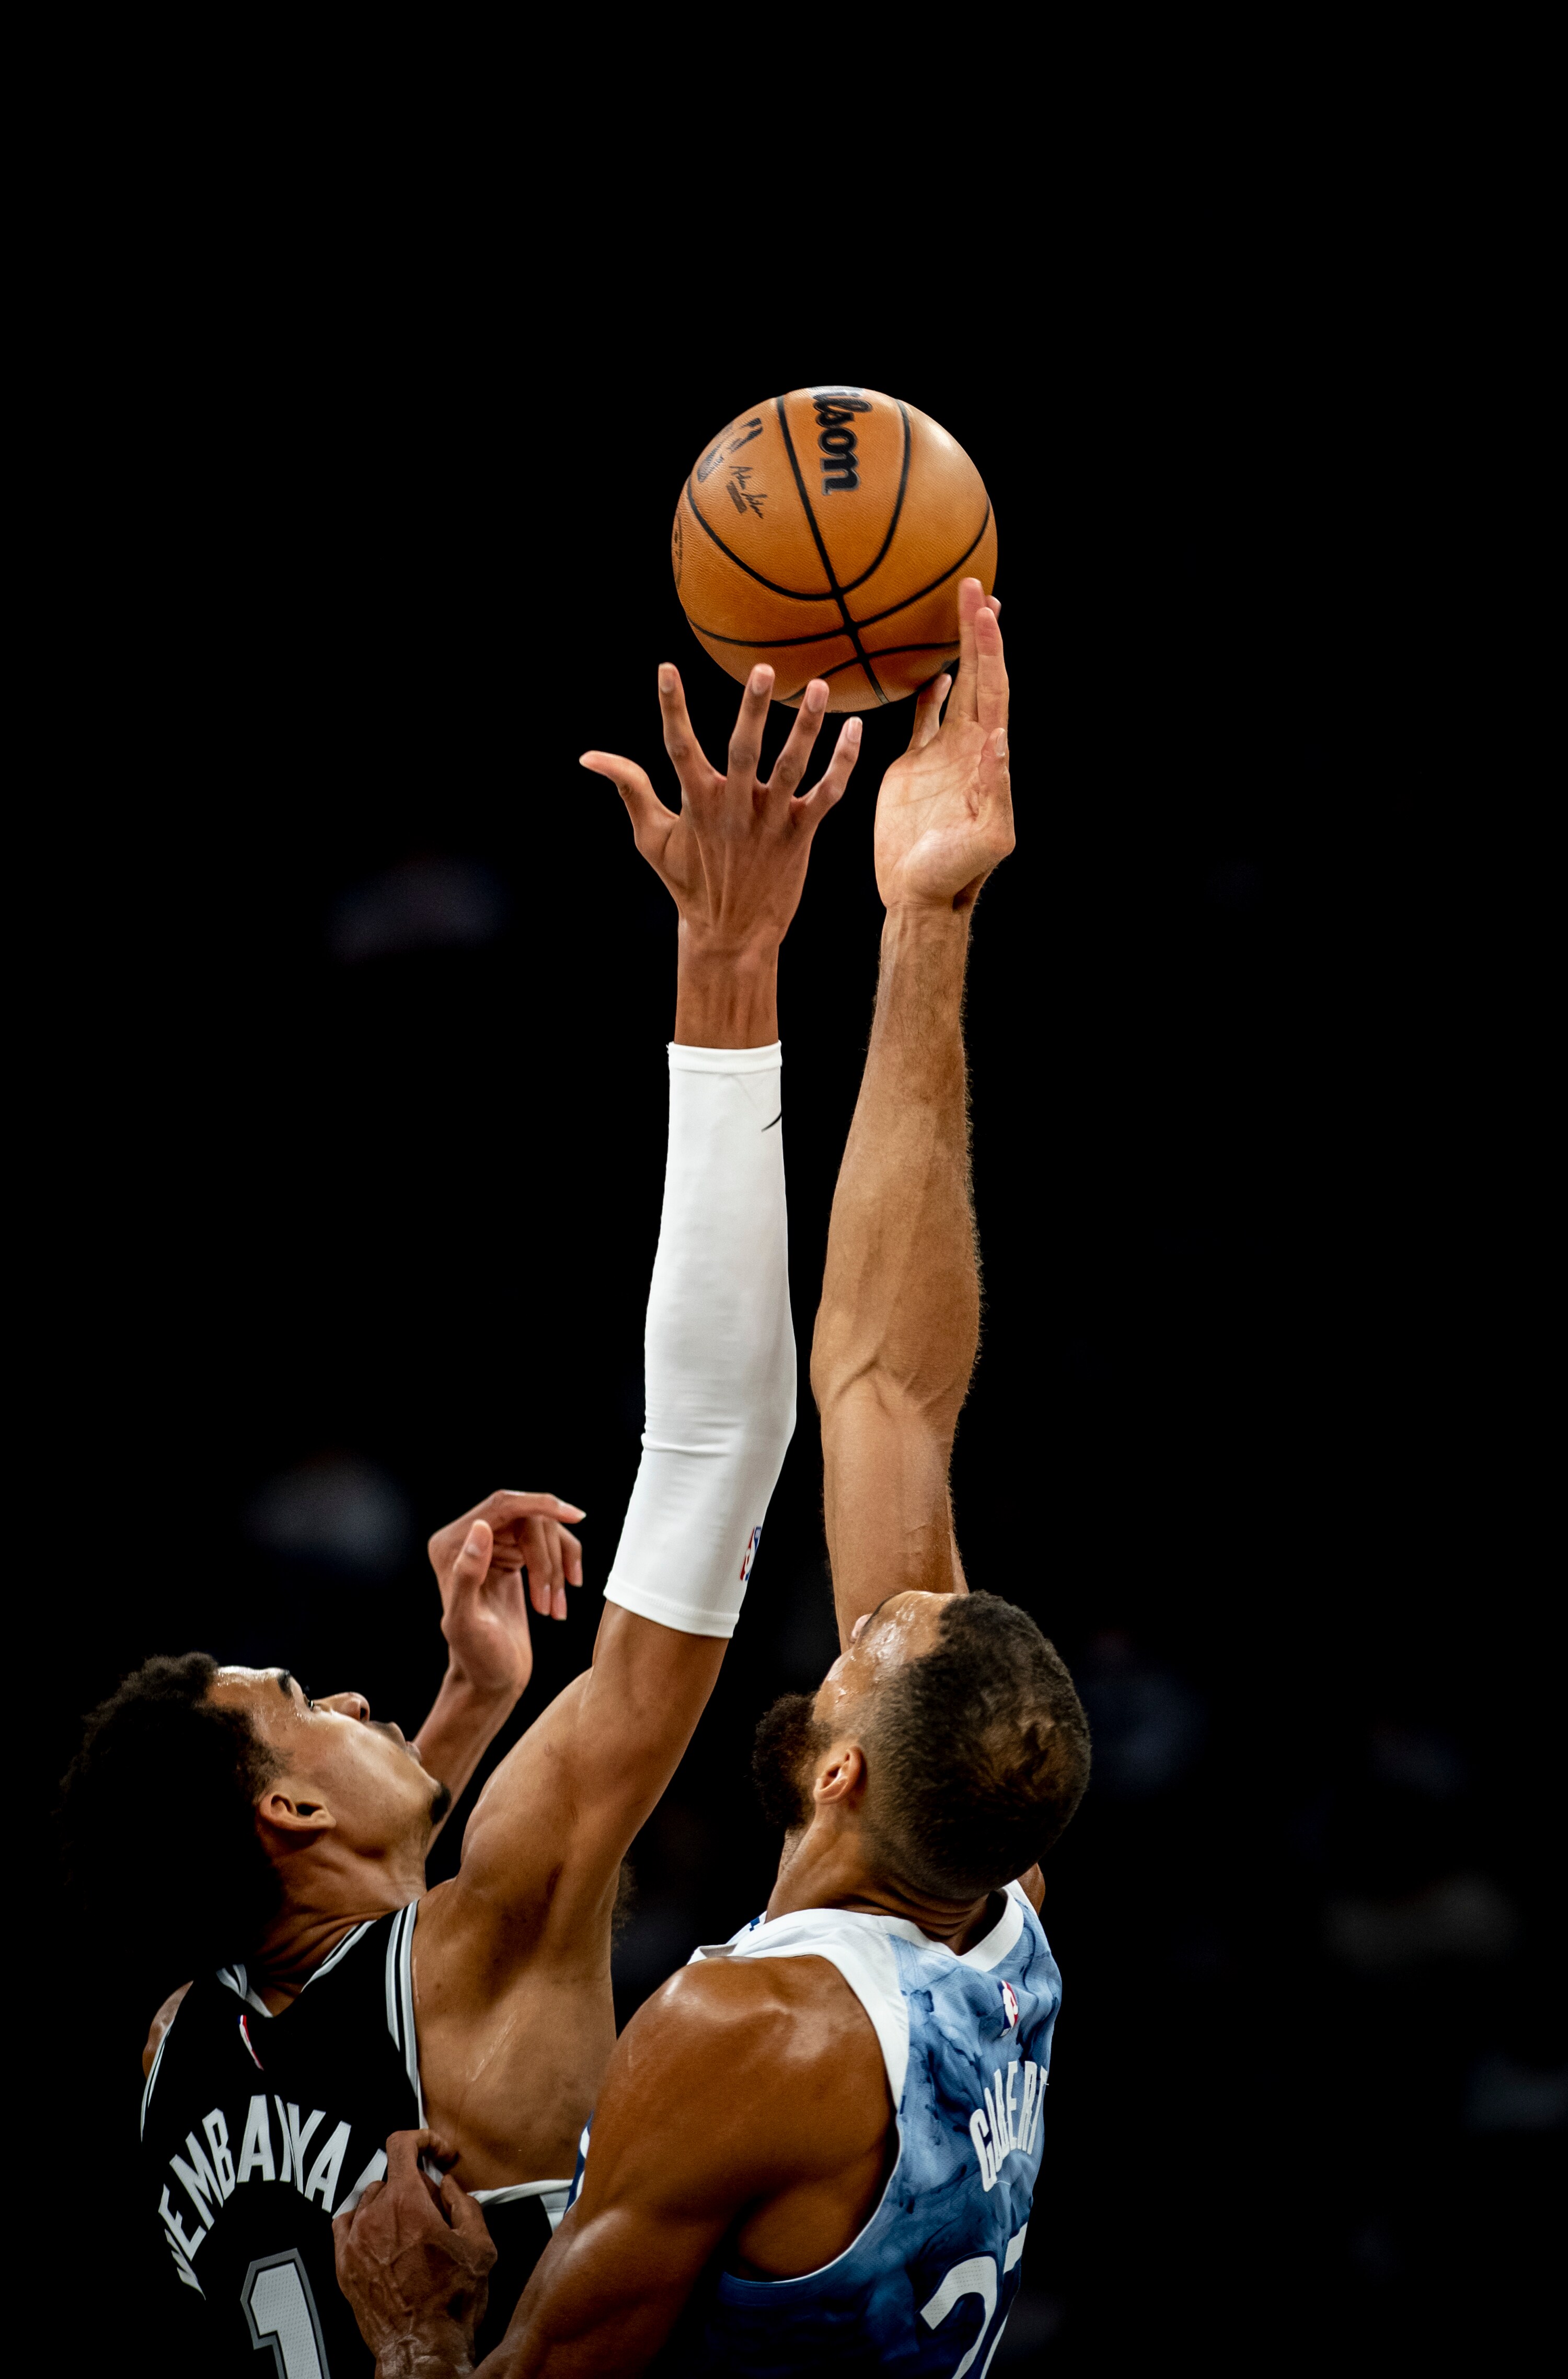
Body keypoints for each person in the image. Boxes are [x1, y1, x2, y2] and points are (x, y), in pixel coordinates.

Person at [57, 660, 861, 2374]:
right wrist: (728, 960)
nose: (346, 1698)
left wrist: (465, 1719)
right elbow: (719, 1441)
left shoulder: (173, 2054)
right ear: (278, 1804)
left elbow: (341, 1963)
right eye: (302, 1708)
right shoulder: (482, 1944)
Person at [332, 581, 1093, 2376]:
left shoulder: (751, 2031)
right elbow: (889, 1387)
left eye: (872, 1640)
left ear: (838, 1767)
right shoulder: (986, 1919)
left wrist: (414, 2330)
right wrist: (926, 918)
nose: (866, 1606)